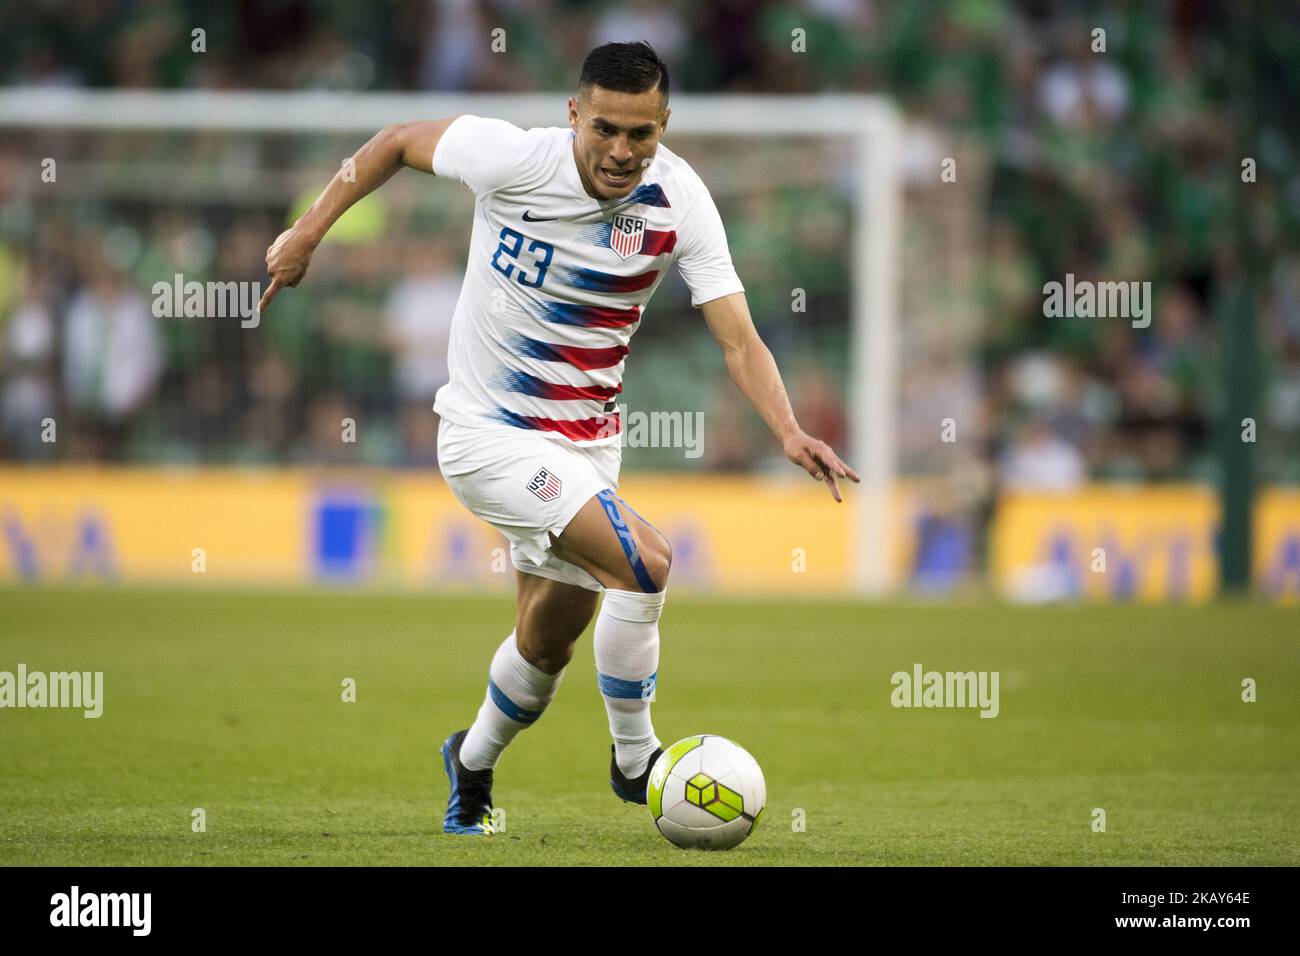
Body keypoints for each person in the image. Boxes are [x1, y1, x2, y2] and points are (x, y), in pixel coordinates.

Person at [260, 41, 857, 835]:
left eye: (640, 134)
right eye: (605, 128)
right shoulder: (511, 158)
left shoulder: (681, 201)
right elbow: (397, 141)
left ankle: (469, 763)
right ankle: (636, 759)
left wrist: (786, 428)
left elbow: (738, 338)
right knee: (647, 563)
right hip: (485, 435)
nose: (621, 151)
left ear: (663, 126)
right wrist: (307, 233)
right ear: (574, 114)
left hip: (585, 449)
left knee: (545, 644)